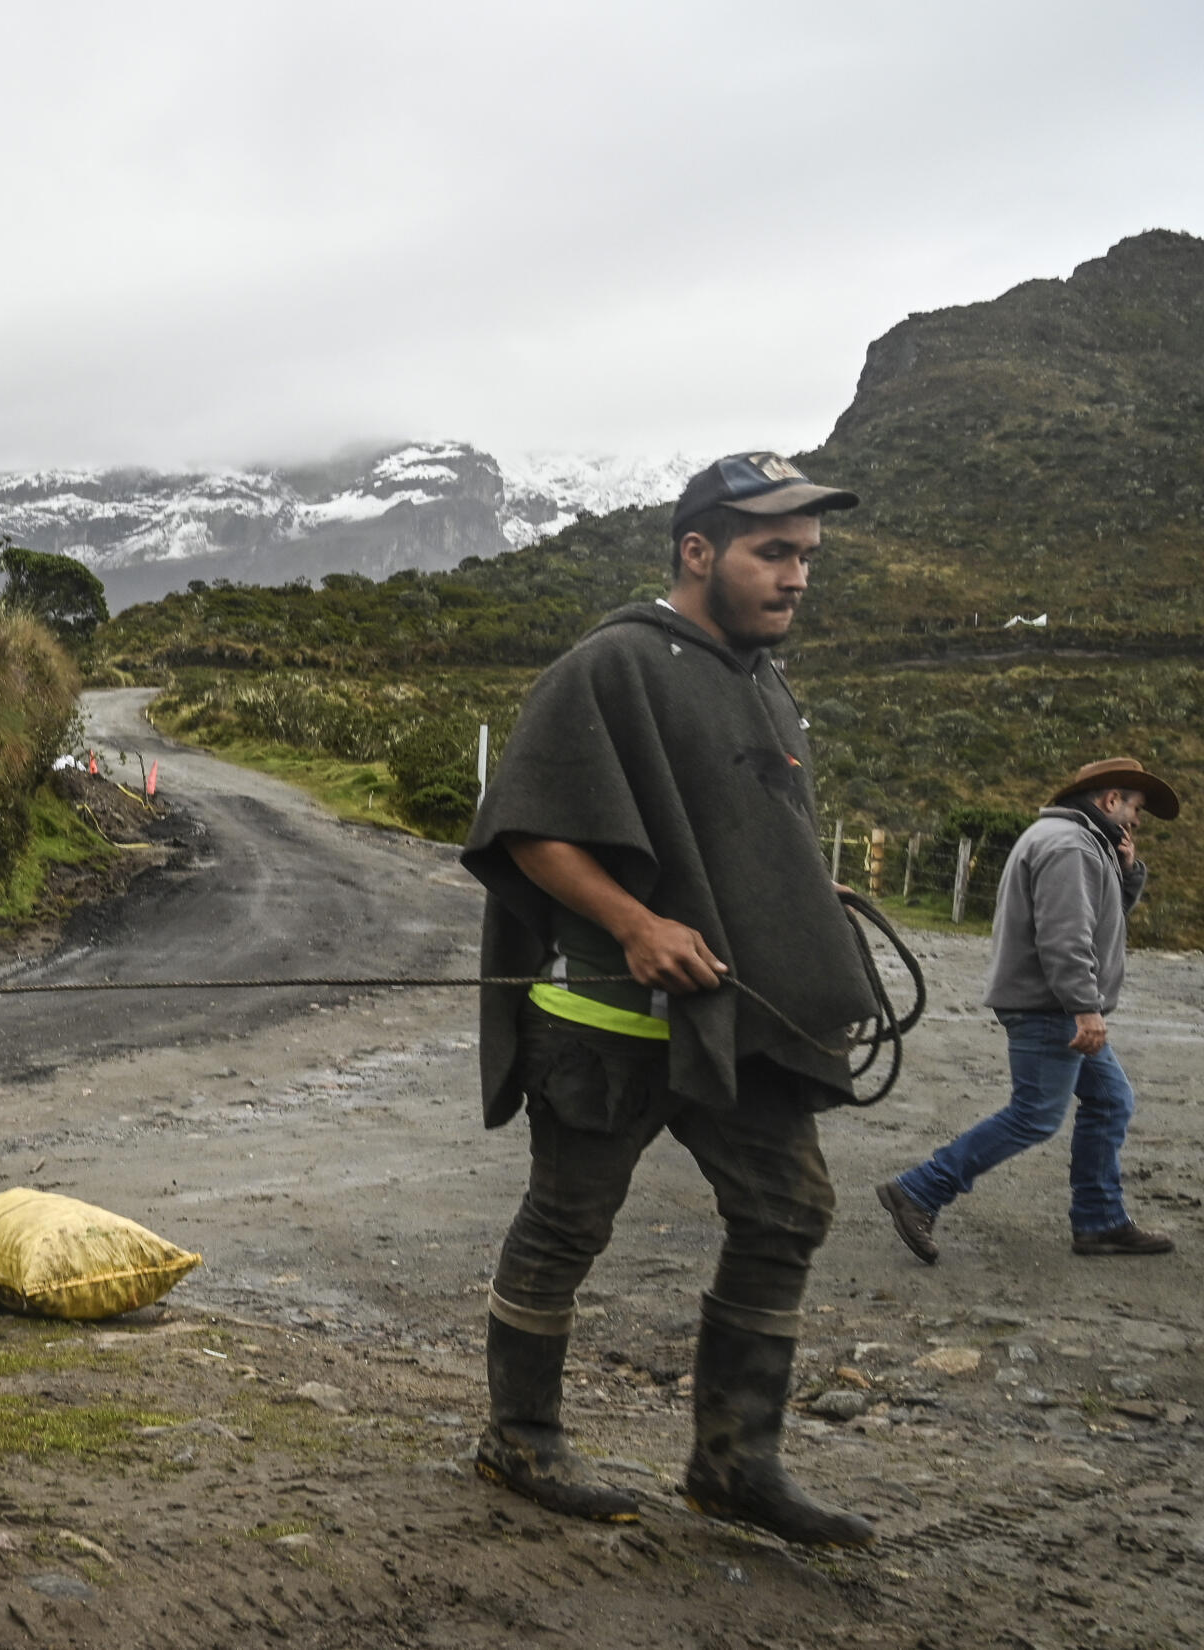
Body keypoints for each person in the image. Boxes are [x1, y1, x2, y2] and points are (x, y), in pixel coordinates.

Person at [459, 452, 883, 1546]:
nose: (794, 578)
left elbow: (729, 828)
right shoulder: (612, 665)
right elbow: (527, 829)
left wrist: (793, 890)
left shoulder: (756, 674)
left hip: (732, 1019)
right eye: (771, 553)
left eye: (804, 558)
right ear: (696, 551)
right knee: (565, 1223)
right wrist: (636, 924)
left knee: (787, 1210)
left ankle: (734, 1464)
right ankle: (519, 1438)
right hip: (604, 1023)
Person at [878, 759, 1181, 1263]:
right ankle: (920, 1190)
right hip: (1051, 1006)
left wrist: (1128, 874)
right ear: (1109, 801)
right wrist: (1086, 1009)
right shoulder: (1069, 847)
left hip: (1054, 1003)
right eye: (1135, 806)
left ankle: (1100, 1221)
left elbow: (1101, 922)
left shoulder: (1082, 844)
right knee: (1035, 1116)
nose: (1137, 819)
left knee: (1110, 1100)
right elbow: (1065, 940)